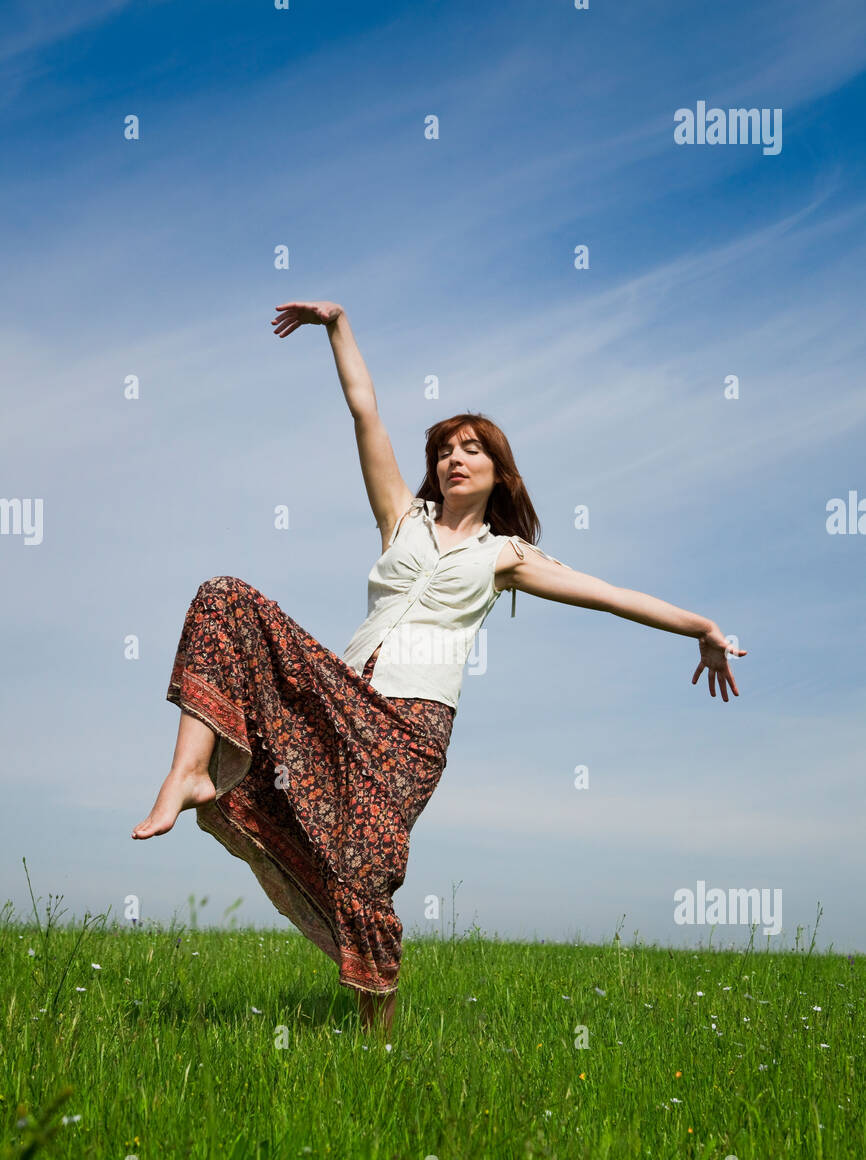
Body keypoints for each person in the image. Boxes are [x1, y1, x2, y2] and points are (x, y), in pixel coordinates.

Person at [132, 301, 746, 1038]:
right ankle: (192, 772)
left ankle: (378, 1039)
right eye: (447, 448)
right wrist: (338, 327)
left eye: (472, 449)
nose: (455, 458)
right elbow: (366, 414)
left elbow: (611, 597)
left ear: (497, 473)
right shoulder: (402, 518)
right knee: (224, 597)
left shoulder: (506, 556)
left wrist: (702, 628)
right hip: (345, 695)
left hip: (413, 726)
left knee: (363, 871)